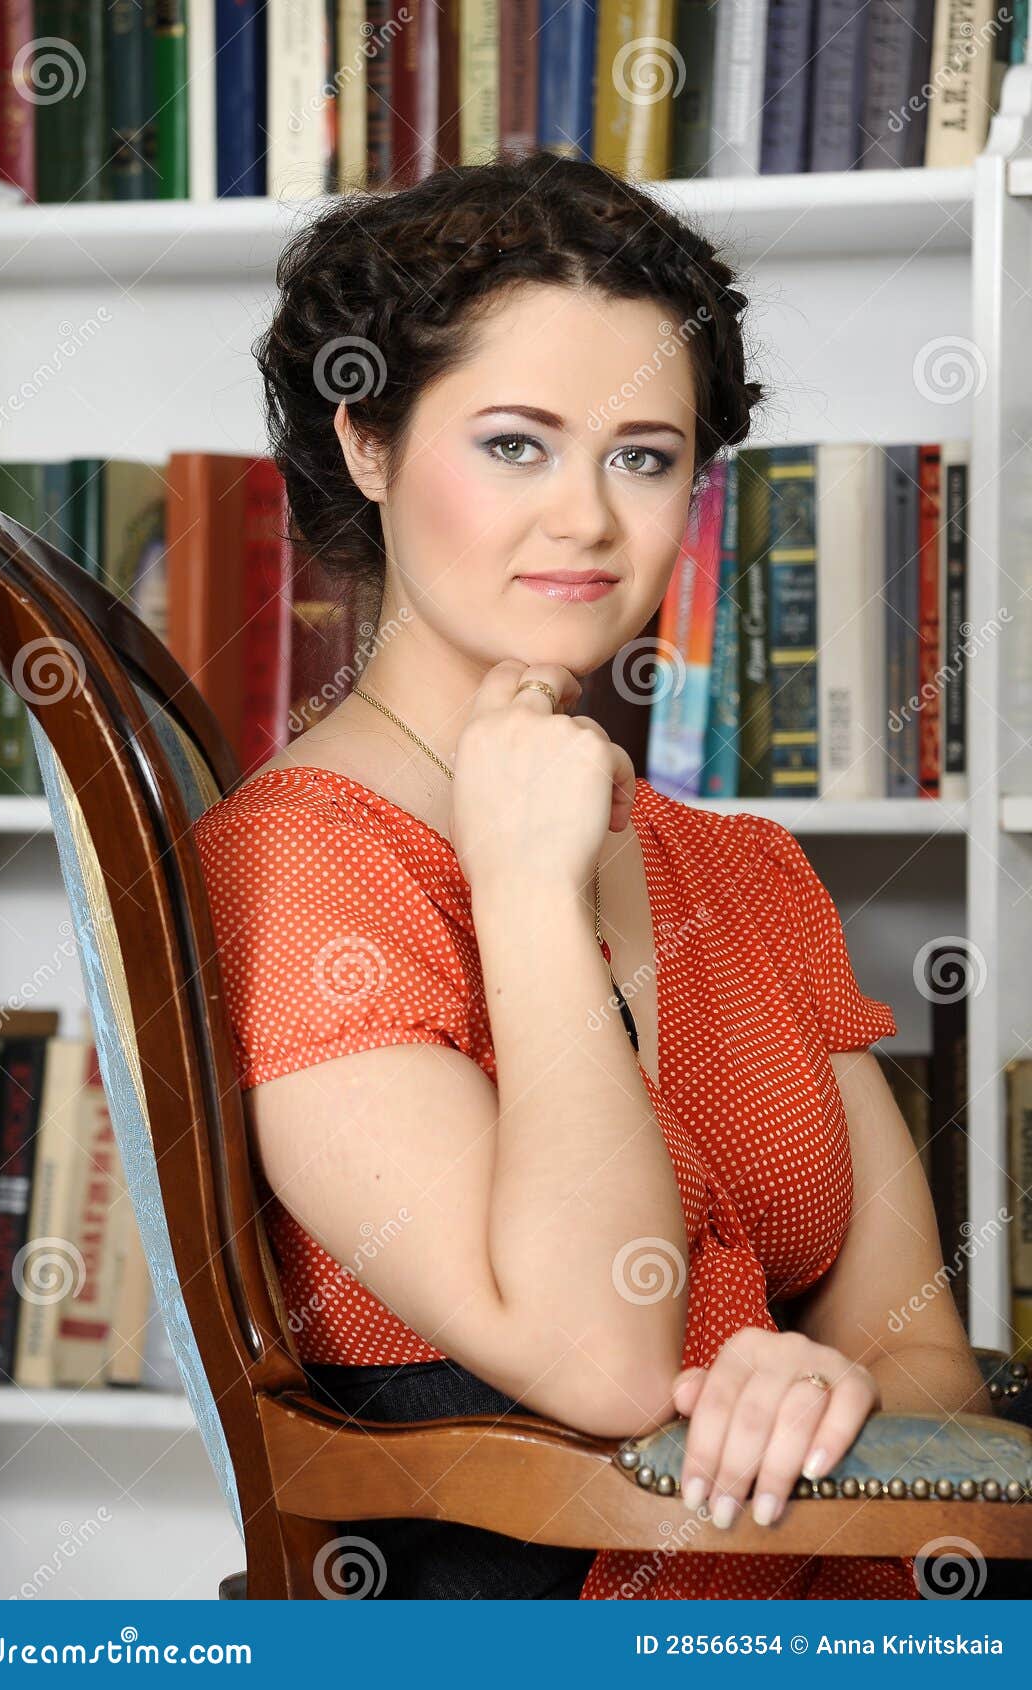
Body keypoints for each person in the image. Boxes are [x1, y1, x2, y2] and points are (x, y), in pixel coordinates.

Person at [192, 150, 994, 1599]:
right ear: (367, 441)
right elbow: (603, 1352)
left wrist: (813, 1380)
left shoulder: (747, 871)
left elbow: (923, 1347)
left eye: (644, 453)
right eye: (515, 443)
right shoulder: (294, 869)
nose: (586, 519)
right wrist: (518, 883)